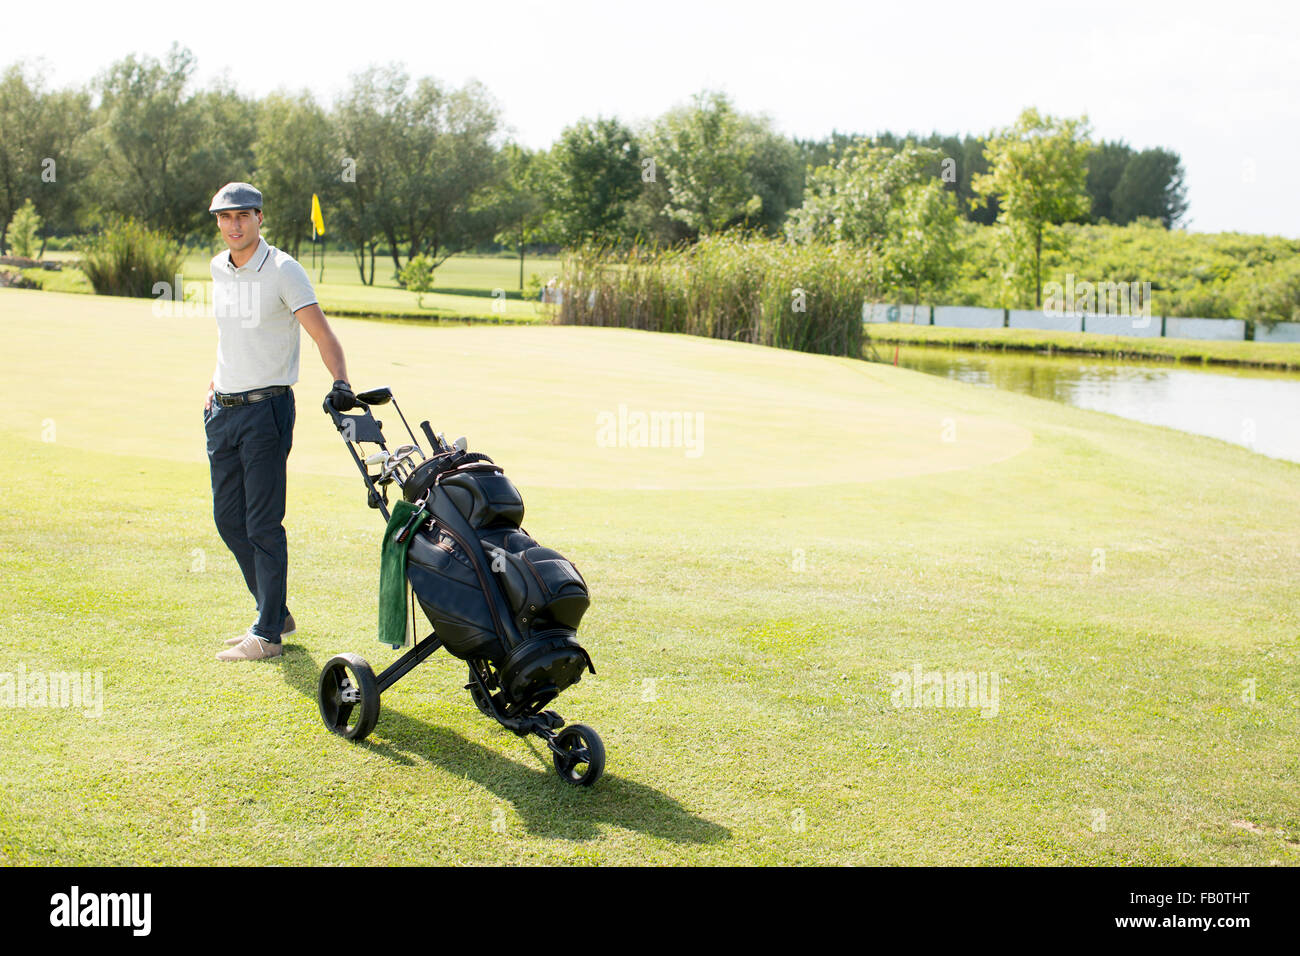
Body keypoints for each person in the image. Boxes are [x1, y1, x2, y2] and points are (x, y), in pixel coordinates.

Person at [204, 182, 358, 662]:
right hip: (222, 410)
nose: (234, 225)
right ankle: (276, 611)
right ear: (218, 223)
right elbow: (231, 338)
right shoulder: (218, 268)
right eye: (226, 218)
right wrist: (212, 388)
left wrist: (341, 380)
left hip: (265, 411)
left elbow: (320, 331)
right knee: (228, 519)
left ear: (259, 219)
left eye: (243, 216)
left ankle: (268, 634)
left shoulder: (284, 270)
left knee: (262, 523)